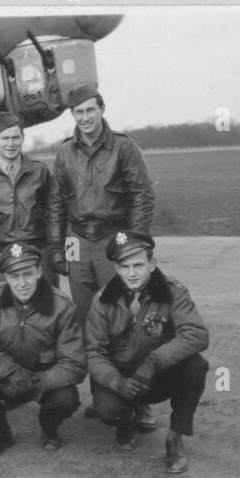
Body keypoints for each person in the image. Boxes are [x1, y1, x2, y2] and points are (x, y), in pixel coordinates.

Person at [47, 84, 158, 430]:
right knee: (88, 324)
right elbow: (56, 204)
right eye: (79, 113)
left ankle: (139, 403)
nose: (85, 118)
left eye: (90, 110)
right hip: (78, 241)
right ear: (73, 116)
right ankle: (103, 397)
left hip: (115, 240)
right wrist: (57, 247)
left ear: (101, 109)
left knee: (125, 320)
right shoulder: (64, 153)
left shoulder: (123, 147)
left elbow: (143, 196)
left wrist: (133, 247)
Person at [83, 231, 209, 474]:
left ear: (152, 264)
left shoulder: (173, 291)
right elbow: (94, 352)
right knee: (107, 411)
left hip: (155, 374)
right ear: (116, 268)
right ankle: (125, 417)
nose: (131, 273)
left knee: (196, 367)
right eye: (124, 266)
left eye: (139, 265)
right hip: (121, 375)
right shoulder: (102, 300)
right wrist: (117, 383)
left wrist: (154, 362)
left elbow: (196, 334)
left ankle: (175, 437)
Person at [0, 244, 86, 460]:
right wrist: (1, 365)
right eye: (14, 276)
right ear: (6, 276)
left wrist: (37, 382)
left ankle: (49, 427)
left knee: (66, 399)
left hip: (44, 374)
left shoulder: (62, 306)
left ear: (39, 272)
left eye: (28, 274)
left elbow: (74, 364)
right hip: (6, 371)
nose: (22, 283)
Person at [0, 111, 57, 285]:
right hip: (2, 252)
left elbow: (54, 213)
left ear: (22, 138)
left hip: (39, 250)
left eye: (15, 138)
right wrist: (1, 241)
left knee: (48, 305)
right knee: (2, 306)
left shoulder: (40, 171)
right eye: (5, 138)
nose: (10, 144)